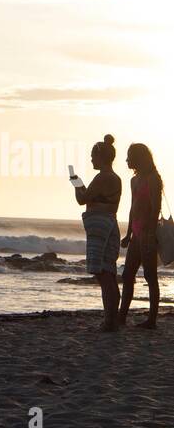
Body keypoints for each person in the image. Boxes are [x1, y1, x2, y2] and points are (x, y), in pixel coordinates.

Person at [72, 134, 122, 332]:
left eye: (93, 156)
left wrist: (76, 184)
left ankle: (109, 321)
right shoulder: (115, 178)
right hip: (110, 223)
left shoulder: (102, 177)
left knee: (103, 275)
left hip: (100, 226)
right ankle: (111, 319)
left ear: (101, 157)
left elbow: (82, 199)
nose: (91, 159)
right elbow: (94, 197)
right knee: (108, 272)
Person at [119, 143, 163, 330]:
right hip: (136, 234)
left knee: (150, 276)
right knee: (128, 274)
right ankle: (121, 316)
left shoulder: (153, 178)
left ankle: (152, 320)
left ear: (139, 158)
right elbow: (132, 207)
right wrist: (128, 233)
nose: (127, 160)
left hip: (147, 234)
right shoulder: (134, 180)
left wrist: (150, 233)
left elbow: (155, 208)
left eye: (129, 156)